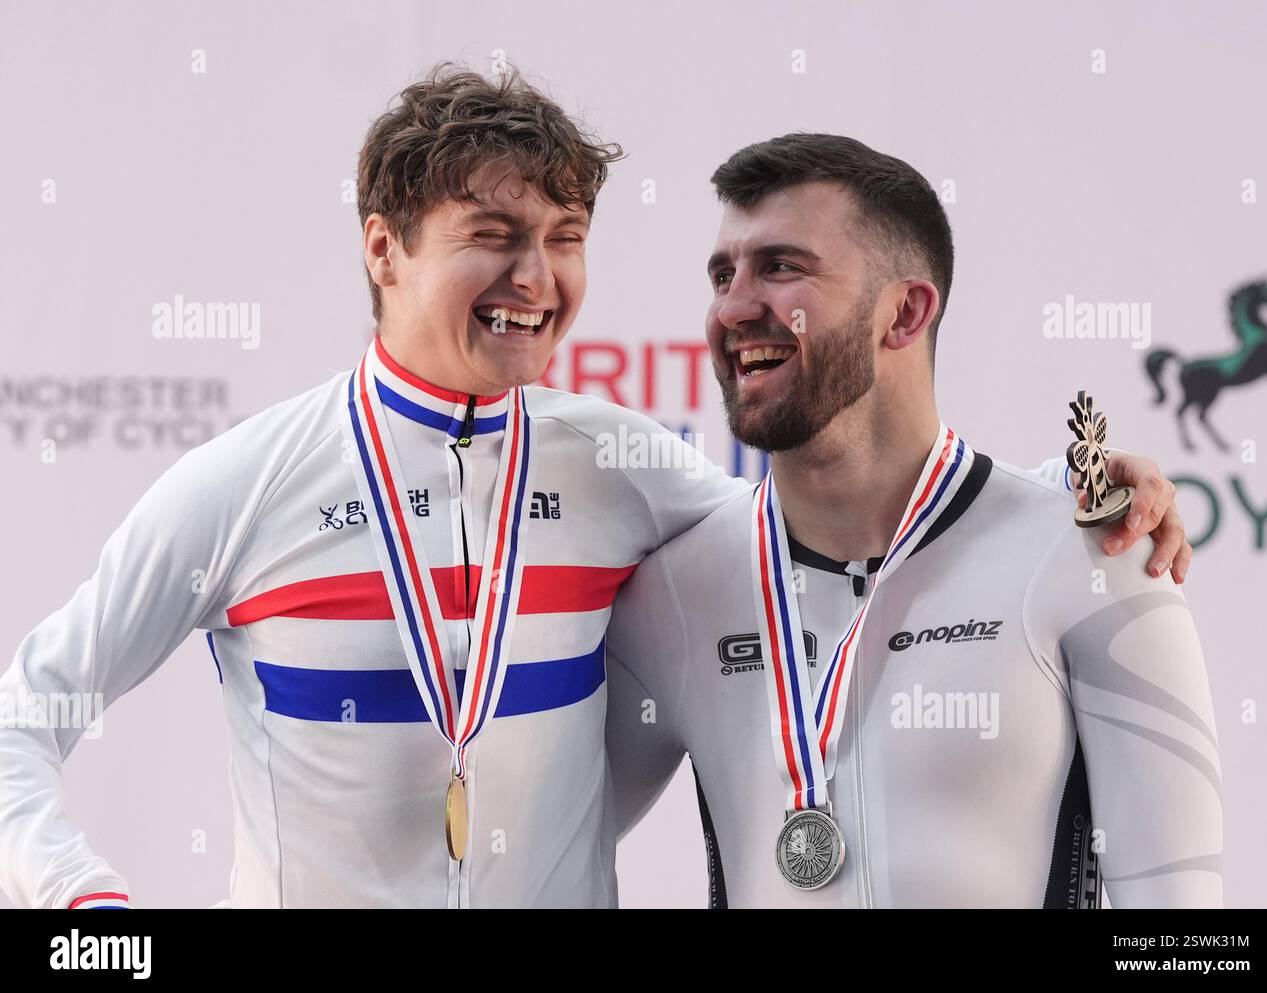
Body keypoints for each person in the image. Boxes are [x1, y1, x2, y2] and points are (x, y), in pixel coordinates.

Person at [0, 67, 1185, 910]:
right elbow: (22, 720)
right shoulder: (240, 487)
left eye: (565, 236)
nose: (538, 276)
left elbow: (845, 521)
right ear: (383, 249)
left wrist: (1060, 498)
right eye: (494, 234)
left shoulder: (620, 467)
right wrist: (85, 908)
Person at [605, 134, 1220, 908]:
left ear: (904, 312)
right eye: (723, 274)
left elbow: (1182, 921)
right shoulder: (677, 588)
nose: (732, 306)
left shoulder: (1093, 554)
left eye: (781, 266)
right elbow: (521, 848)